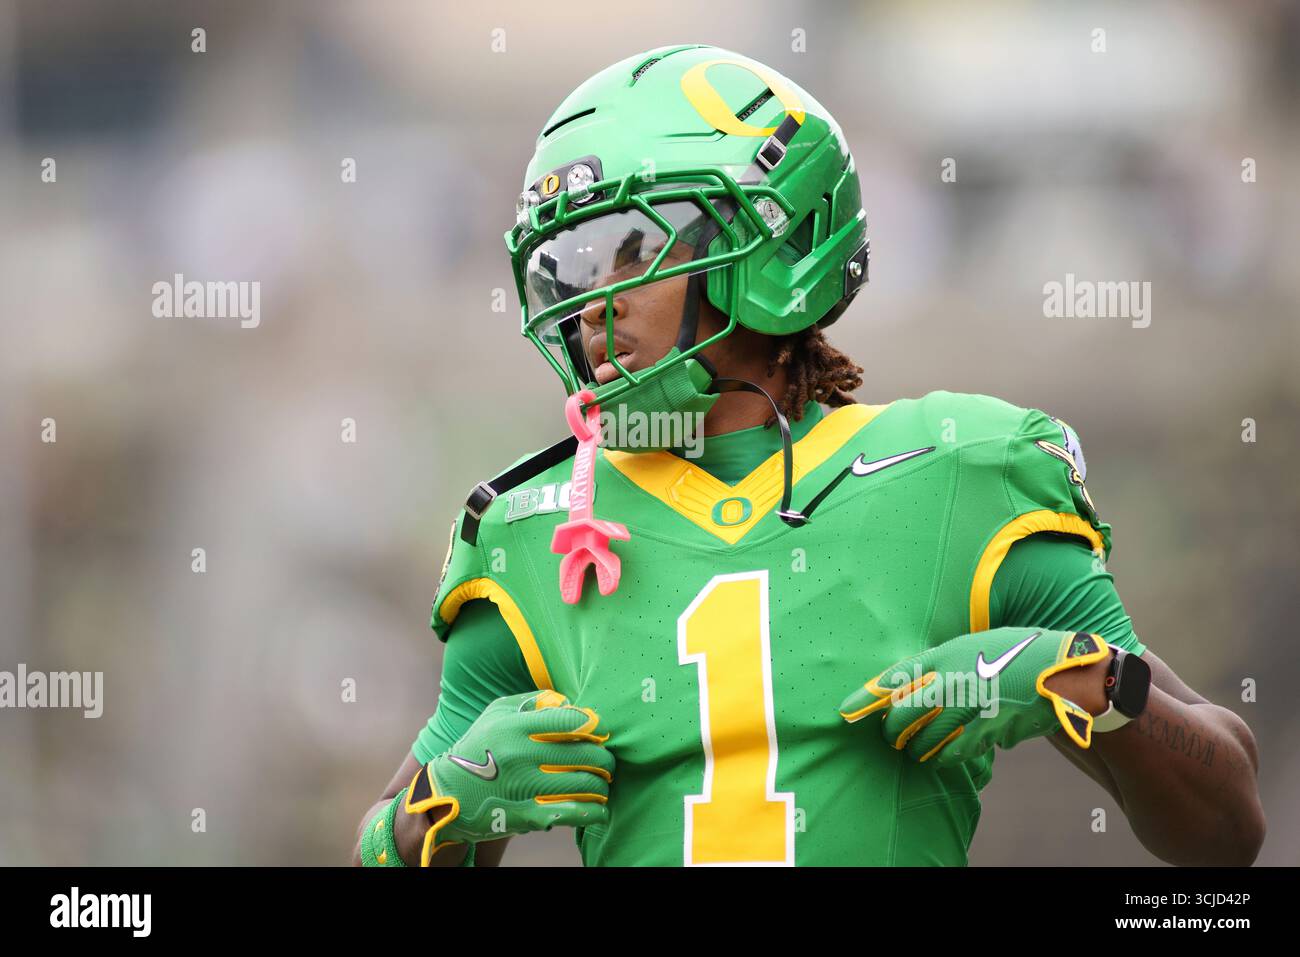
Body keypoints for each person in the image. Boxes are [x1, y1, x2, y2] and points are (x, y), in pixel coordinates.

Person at [353, 45, 1264, 867]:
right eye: (569, 262)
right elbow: (391, 845)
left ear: (762, 236)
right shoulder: (532, 531)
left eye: (626, 251)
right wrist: (432, 816)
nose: (590, 302)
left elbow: (1227, 828)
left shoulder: (959, 470)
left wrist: (1092, 679)